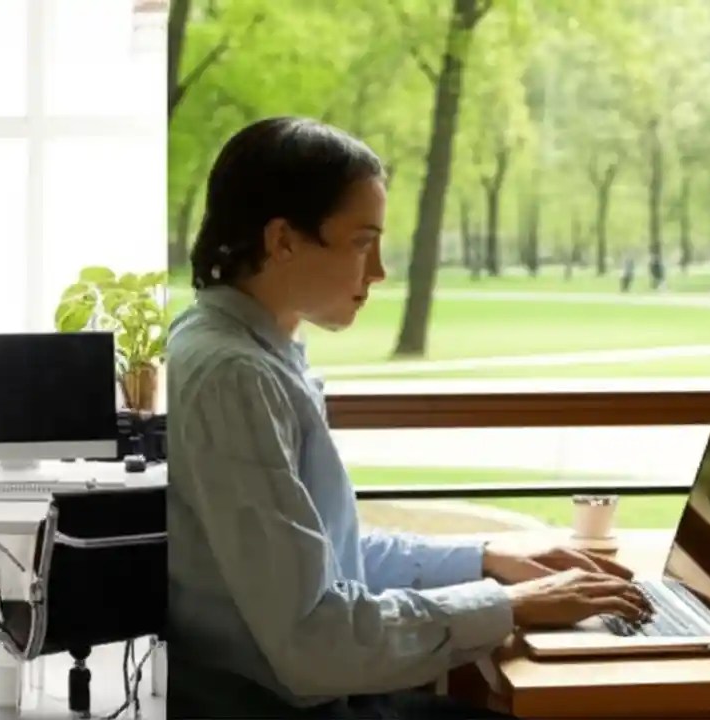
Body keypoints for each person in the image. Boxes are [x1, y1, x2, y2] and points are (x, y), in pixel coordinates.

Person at [166, 117, 653, 719]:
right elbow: (314, 637)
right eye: (362, 242)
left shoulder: (248, 353)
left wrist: (484, 558)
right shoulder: (235, 376)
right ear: (282, 240)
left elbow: (325, 558)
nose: (378, 273)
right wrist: (515, 605)